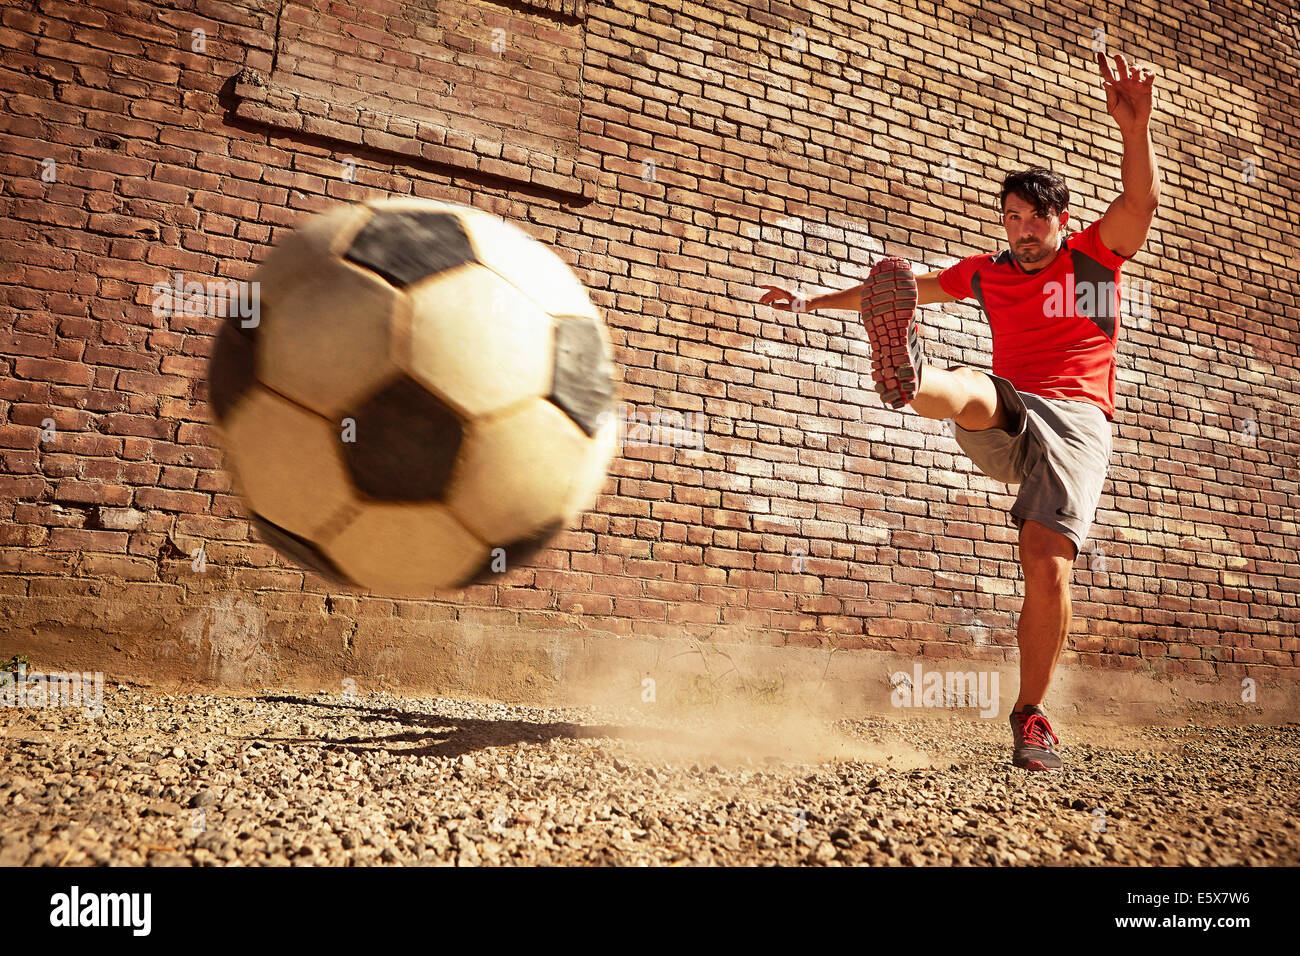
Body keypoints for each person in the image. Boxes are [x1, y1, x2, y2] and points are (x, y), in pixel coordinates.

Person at [759, 50, 1160, 771]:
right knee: (974, 389)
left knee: (1045, 564)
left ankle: (1030, 715)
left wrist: (1135, 131)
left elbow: (1140, 206)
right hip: (1009, 411)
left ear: (1060, 222)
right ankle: (908, 374)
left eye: (1035, 218)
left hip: (1079, 423)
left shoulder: (1095, 259)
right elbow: (900, 282)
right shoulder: (989, 274)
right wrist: (812, 301)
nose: (1022, 230)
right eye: (1011, 218)